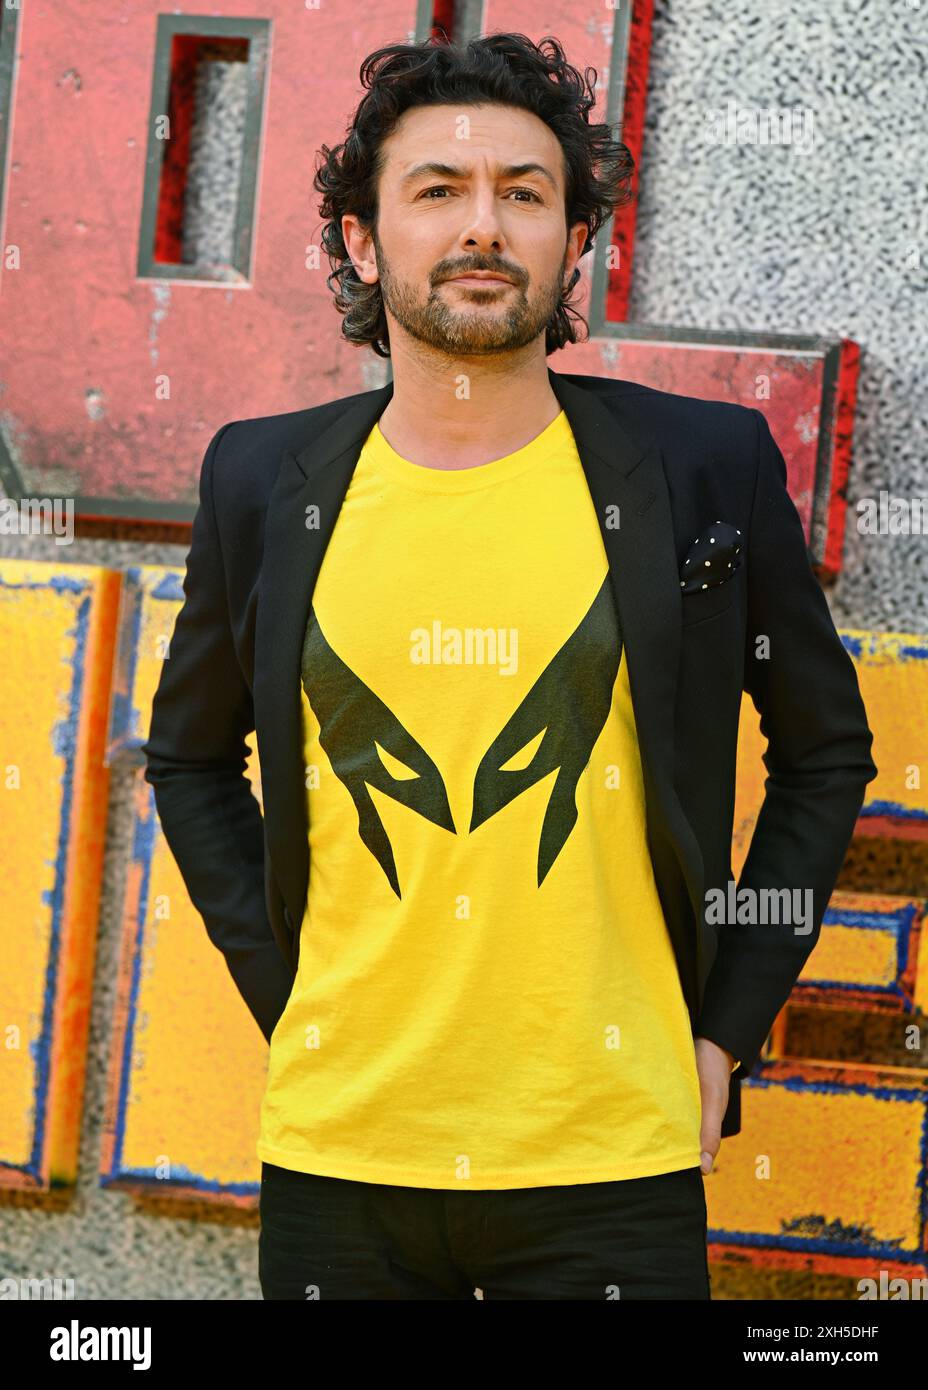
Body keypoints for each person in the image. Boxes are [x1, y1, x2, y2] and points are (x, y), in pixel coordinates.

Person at [141, 32, 877, 1300]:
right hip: (344, 1159)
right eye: (437, 189)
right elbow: (192, 757)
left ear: (574, 241)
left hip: (612, 1158)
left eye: (525, 194)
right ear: (365, 242)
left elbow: (823, 755)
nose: (484, 226)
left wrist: (720, 1031)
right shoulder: (264, 480)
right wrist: (288, 990)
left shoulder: (702, 468)